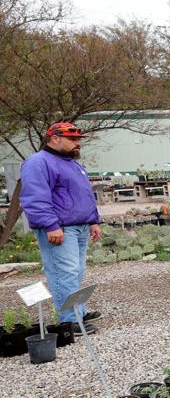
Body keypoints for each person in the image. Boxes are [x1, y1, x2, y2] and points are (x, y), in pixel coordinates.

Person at [17, 122, 104, 334]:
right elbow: (35, 197)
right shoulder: (38, 162)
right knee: (63, 272)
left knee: (76, 271)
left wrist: (92, 220)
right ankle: (68, 321)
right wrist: (50, 225)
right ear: (55, 138)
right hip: (60, 228)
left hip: (79, 226)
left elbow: (82, 195)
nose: (78, 144)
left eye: (78, 140)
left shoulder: (71, 163)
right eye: (72, 139)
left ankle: (78, 312)